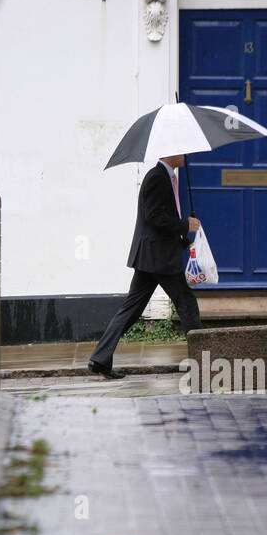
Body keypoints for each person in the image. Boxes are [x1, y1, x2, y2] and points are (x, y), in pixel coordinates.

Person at [87, 154, 202, 379]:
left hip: (151, 256)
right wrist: (184, 225)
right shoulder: (156, 177)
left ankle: (99, 360)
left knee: (131, 310)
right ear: (171, 153)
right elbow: (155, 217)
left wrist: (183, 241)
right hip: (159, 258)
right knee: (187, 303)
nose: (186, 155)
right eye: (182, 151)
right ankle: (203, 360)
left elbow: (162, 218)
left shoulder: (165, 177)